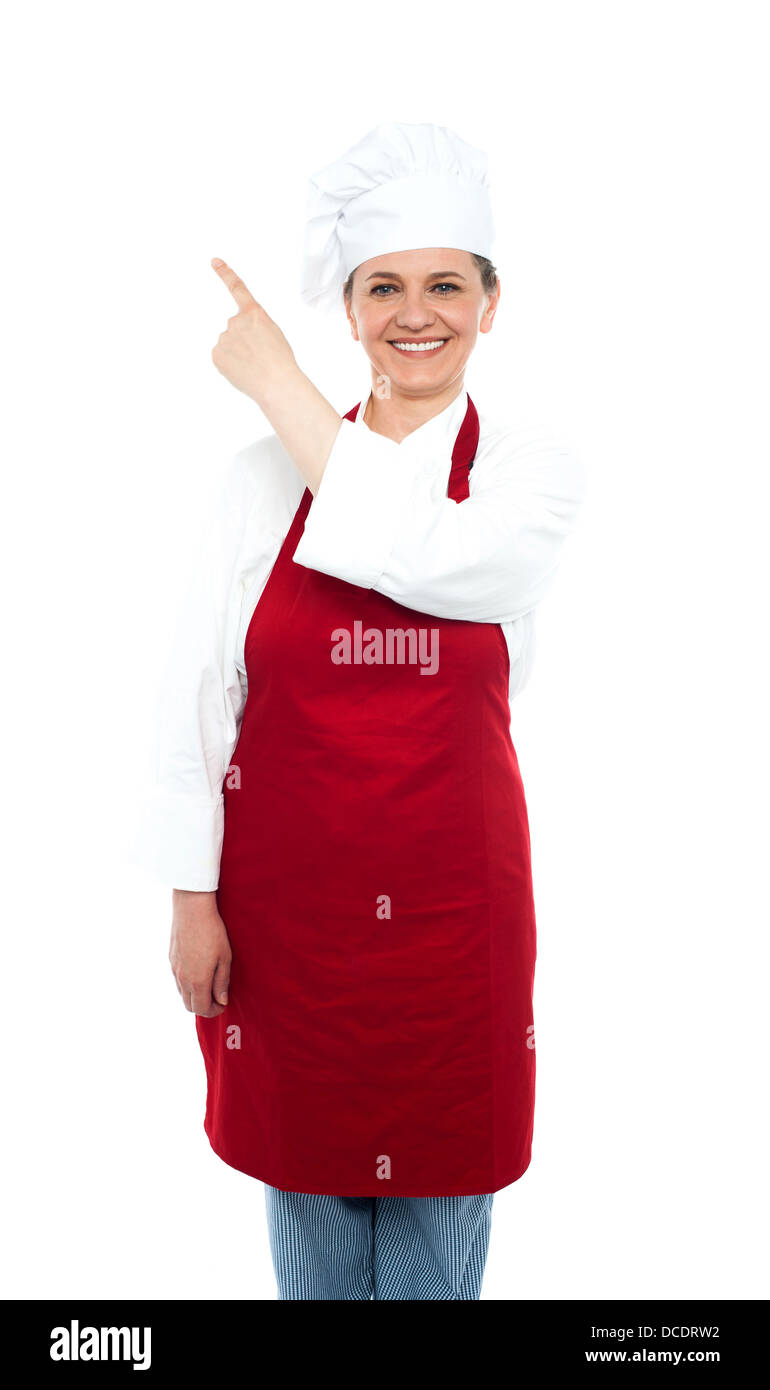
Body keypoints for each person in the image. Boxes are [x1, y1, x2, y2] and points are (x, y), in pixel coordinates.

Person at [134, 122, 586, 1300]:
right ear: (349, 309)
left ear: (492, 303)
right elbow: (195, 697)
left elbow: (434, 559)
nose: (413, 311)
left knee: (435, 1250)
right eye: (381, 285)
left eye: (445, 282)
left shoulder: (522, 472)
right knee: (316, 1237)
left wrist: (281, 380)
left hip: (452, 918)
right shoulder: (253, 481)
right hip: (288, 922)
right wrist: (192, 899)